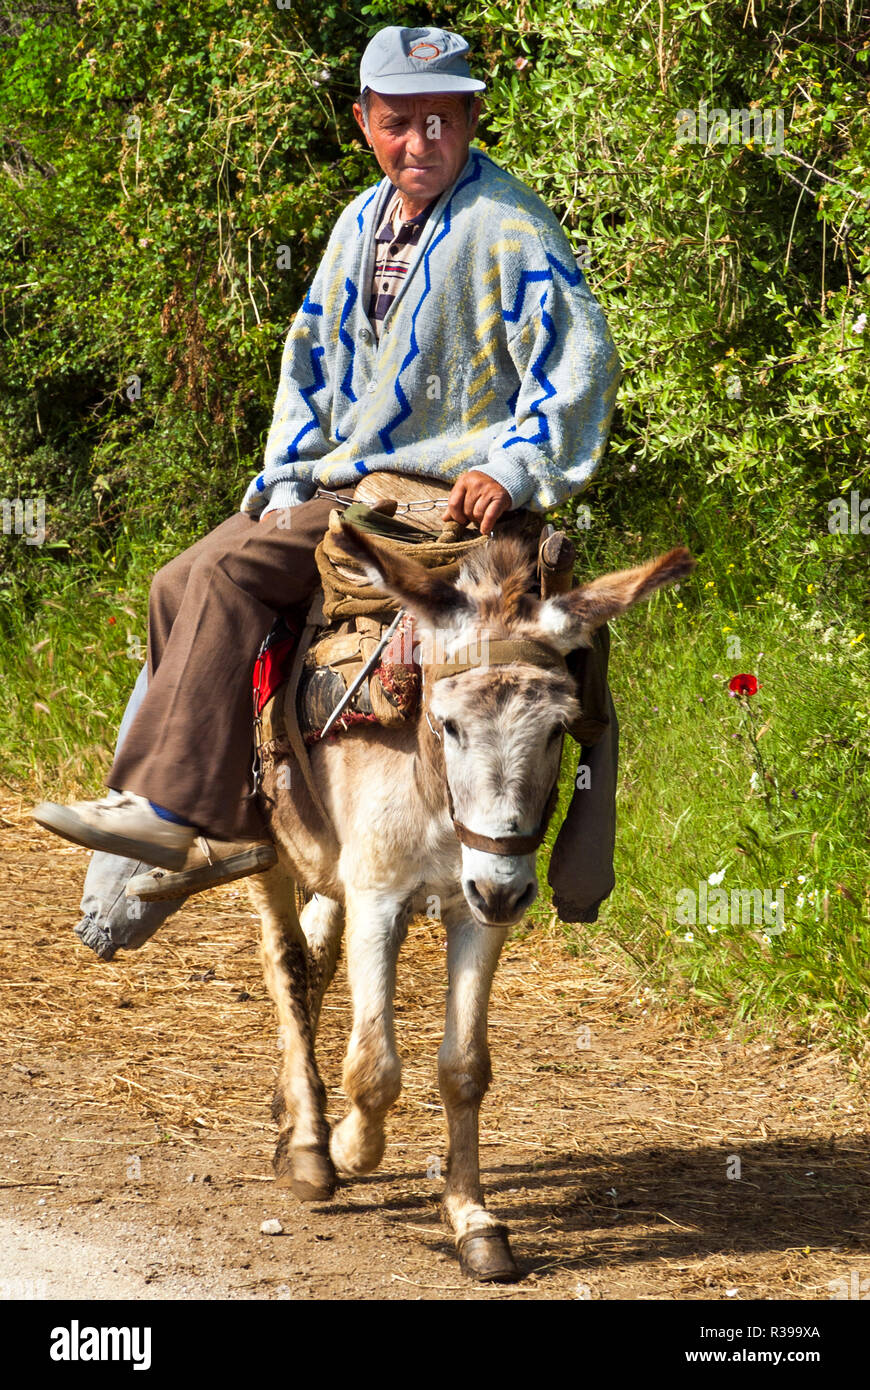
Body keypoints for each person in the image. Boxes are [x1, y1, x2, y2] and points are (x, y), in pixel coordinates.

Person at [33, 24, 623, 960]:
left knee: (227, 575)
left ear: (471, 118)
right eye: (400, 122)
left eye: (442, 120)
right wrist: (282, 474)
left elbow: (579, 365)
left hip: (442, 497)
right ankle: (219, 806)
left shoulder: (509, 229)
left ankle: (171, 812)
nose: (422, 142)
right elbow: (308, 367)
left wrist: (509, 467)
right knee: (174, 579)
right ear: (364, 123)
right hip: (349, 485)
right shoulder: (360, 223)